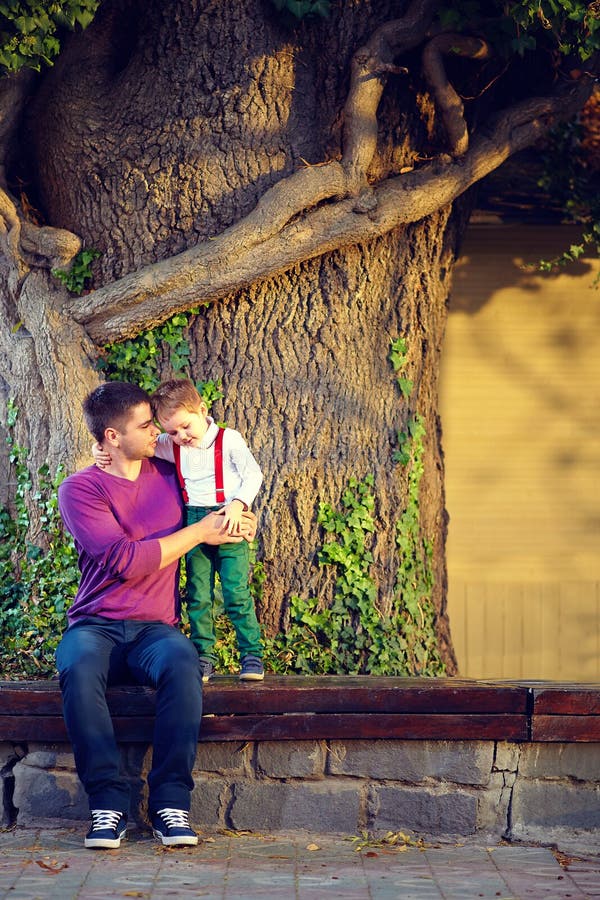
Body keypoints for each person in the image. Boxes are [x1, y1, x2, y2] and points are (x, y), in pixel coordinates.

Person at [57, 381, 256, 851]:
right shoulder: (80, 489)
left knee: (184, 665)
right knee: (78, 668)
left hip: (154, 630)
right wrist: (202, 530)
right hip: (96, 625)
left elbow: (221, 489)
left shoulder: (171, 473)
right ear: (110, 437)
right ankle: (107, 806)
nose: (158, 434)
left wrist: (237, 520)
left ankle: (171, 804)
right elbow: (127, 562)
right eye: (145, 426)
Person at [95, 377, 265, 683]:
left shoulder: (229, 440)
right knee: (198, 594)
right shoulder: (170, 445)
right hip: (192, 520)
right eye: (172, 431)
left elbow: (253, 474)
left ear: (202, 410)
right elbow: (122, 441)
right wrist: (97, 448)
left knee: (236, 592)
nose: (181, 436)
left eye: (186, 426)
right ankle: (204, 656)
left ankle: (251, 655)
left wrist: (240, 504)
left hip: (228, 517)